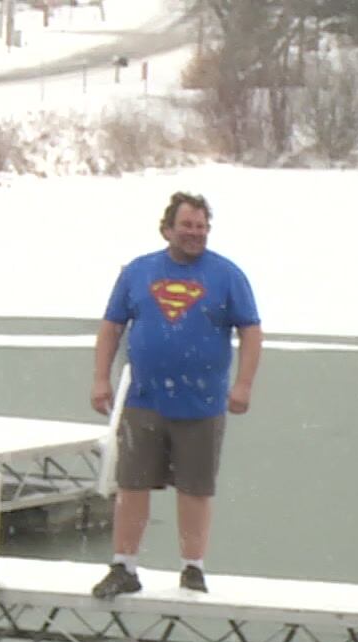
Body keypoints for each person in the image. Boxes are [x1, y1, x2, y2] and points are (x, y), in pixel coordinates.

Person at [89, 192, 262, 599]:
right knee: (132, 484)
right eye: (187, 226)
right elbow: (112, 326)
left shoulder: (227, 275)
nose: (194, 234)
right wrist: (100, 378)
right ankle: (124, 565)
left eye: (201, 227)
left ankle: (192, 568)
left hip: (201, 403)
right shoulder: (139, 271)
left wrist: (244, 384)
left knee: (196, 487)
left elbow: (251, 331)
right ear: (168, 228)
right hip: (144, 399)